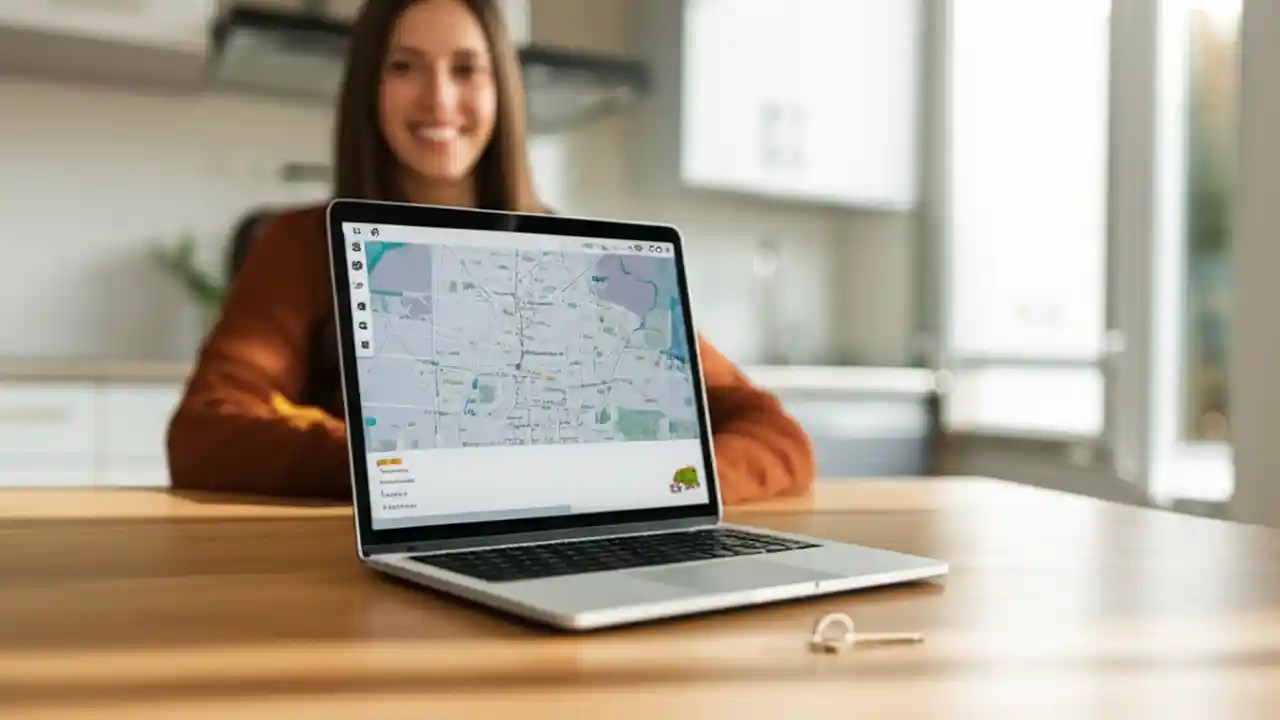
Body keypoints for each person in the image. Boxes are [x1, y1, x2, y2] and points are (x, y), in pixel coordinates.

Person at [166, 0, 814, 504]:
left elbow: (775, 436)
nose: (439, 99)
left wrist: (660, 483)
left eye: (466, 68)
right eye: (404, 66)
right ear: (367, 89)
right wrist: (408, 465)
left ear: (501, 87)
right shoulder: (300, 246)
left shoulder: (586, 265)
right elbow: (205, 434)